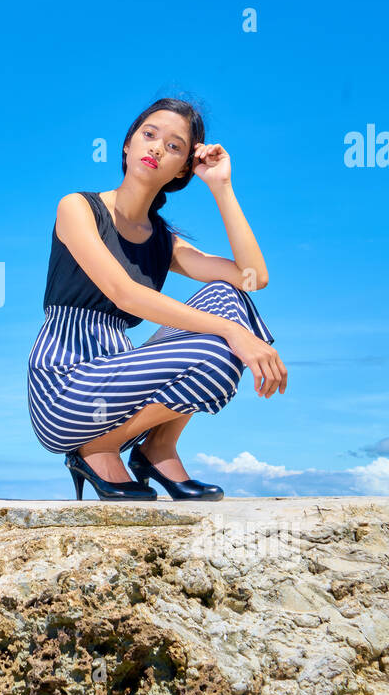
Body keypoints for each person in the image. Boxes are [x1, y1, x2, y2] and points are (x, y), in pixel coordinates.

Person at [26, 97, 288, 501]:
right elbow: (123, 294)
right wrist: (232, 334)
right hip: (66, 384)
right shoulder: (78, 207)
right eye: (149, 135)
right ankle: (95, 448)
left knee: (228, 296)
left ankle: (155, 448)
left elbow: (253, 278)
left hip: (119, 374)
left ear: (182, 169)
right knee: (221, 346)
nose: (156, 148)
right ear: (128, 144)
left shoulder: (164, 242)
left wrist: (221, 187)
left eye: (174, 146)